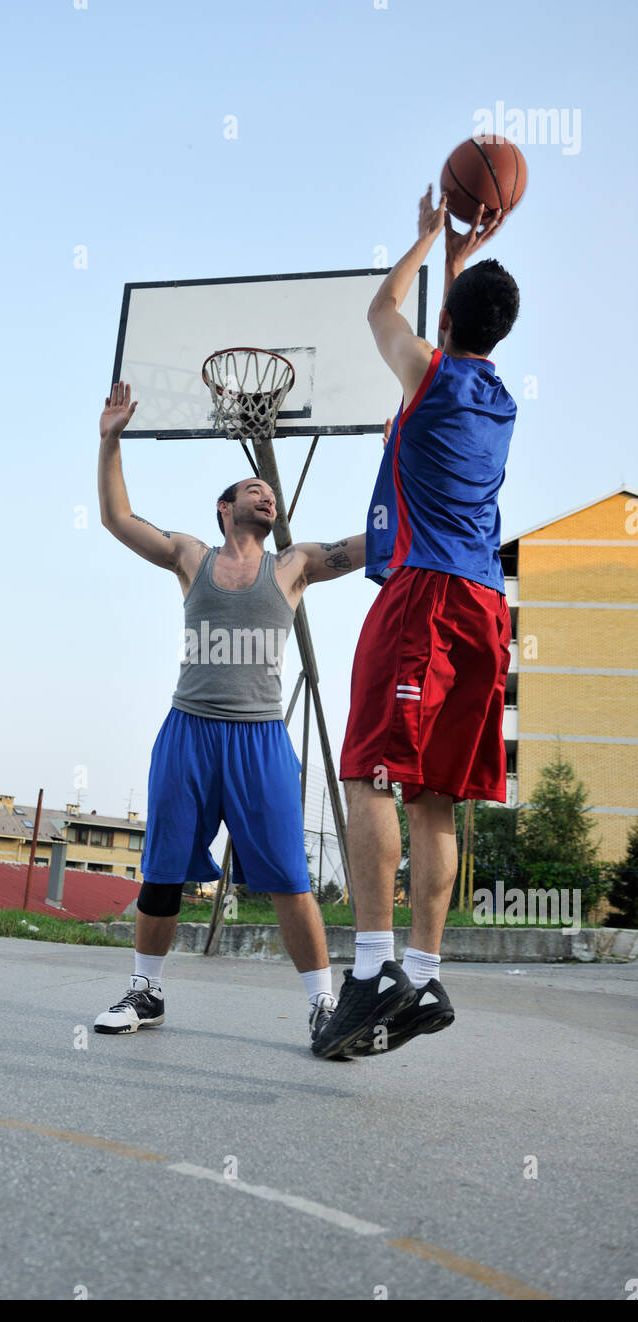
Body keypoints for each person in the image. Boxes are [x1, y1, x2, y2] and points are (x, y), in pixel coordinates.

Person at [95, 381, 364, 1052]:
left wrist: (405, 458)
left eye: (269, 492)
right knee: (163, 871)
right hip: (188, 731)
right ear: (225, 508)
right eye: (252, 489)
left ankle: (323, 1007)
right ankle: (146, 992)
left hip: (261, 740)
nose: (265, 494)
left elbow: (367, 545)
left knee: (288, 879)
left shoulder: (295, 564)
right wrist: (110, 440)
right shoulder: (192, 555)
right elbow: (118, 519)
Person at [313, 188, 519, 1059]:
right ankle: (427, 971)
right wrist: (469, 256)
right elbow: (456, 321)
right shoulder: (502, 398)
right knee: (436, 797)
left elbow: (380, 309)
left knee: (367, 774)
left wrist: (431, 233)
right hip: (485, 608)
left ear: (449, 322)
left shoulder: (427, 377)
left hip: (423, 598)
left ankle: (368, 968)